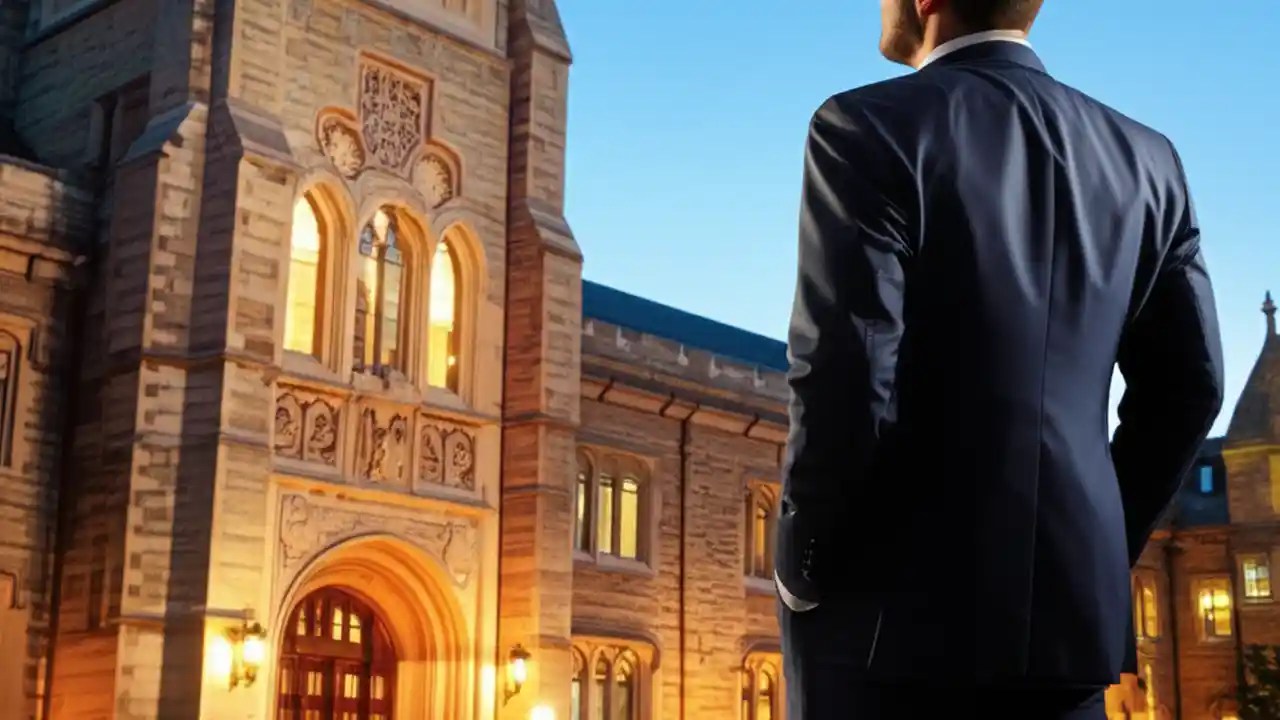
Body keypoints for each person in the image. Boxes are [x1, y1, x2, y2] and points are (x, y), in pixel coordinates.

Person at [774, 1, 1225, 717]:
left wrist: (803, 562)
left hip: (888, 625)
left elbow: (848, 367)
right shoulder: (1150, 160)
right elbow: (1191, 390)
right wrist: (1096, 549)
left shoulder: (866, 125)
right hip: (1070, 627)